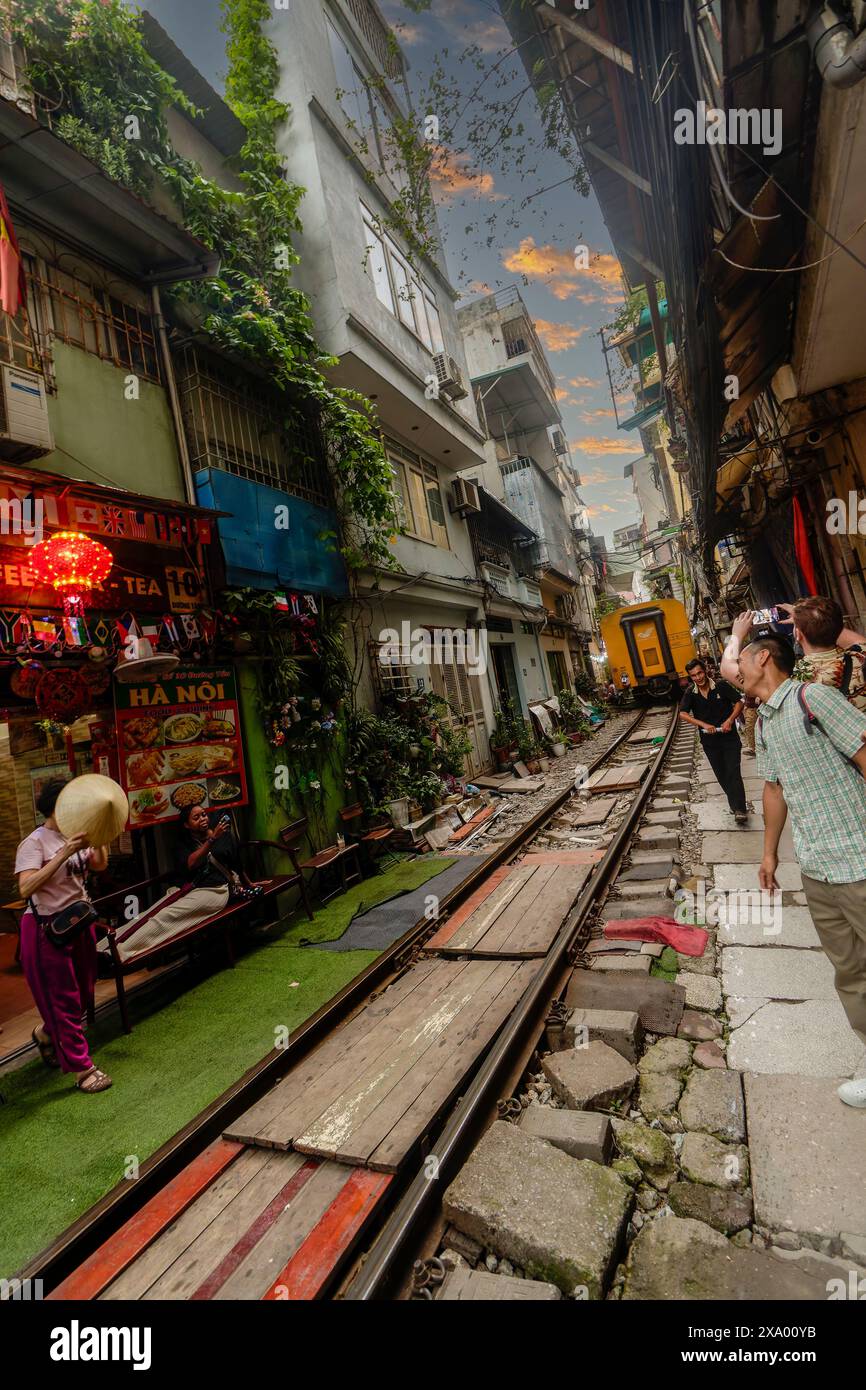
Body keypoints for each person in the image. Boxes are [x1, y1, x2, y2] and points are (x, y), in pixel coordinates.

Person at [740, 632, 866, 1108]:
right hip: (815, 867)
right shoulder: (766, 722)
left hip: (858, 857)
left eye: (743, 659)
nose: (737, 669)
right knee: (850, 973)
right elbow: (773, 790)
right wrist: (769, 854)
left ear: (764, 658)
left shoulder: (816, 699)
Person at [15, 778, 111, 1093]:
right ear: (59, 806)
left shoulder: (75, 834)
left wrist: (100, 832)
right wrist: (64, 852)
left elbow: (98, 864)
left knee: (83, 994)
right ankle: (83, 1069)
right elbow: (26, 887)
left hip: (78, 923)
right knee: (63, 1001)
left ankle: (45, 1034)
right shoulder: (35, 842)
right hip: (46, 930)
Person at [103, 804, 242, 964]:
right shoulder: (183, 844)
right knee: (148, 914)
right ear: (187, 825)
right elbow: (191, 863)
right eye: (196, 817)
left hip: (215, 891)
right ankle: (102, 947)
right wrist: (212, 839)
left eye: (204, 814)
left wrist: (248, 884)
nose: (203, 819)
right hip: (189, 888)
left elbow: (237, 863)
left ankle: (119, 953)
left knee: (165, 917)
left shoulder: (223, 835)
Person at [721, 599, 866, 708]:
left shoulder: (796, 678)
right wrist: (809, 619)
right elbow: (856, 638)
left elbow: (727, 668)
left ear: (797, 634)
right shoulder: (860, 657)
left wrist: (736, 635)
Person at [679, 656, 748, 823]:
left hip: (729, 738)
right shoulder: (691, 693)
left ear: (705, 671)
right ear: (690, 677)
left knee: (733, 771)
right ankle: (736, 805)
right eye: (694, 676)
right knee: (722, 775)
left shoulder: (721, 686)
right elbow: (683, 713)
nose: (698, 678)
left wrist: (730, 720)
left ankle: (739, 809)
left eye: (700, 673)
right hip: (710, 742)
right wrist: (702, 724)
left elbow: (739, 702)